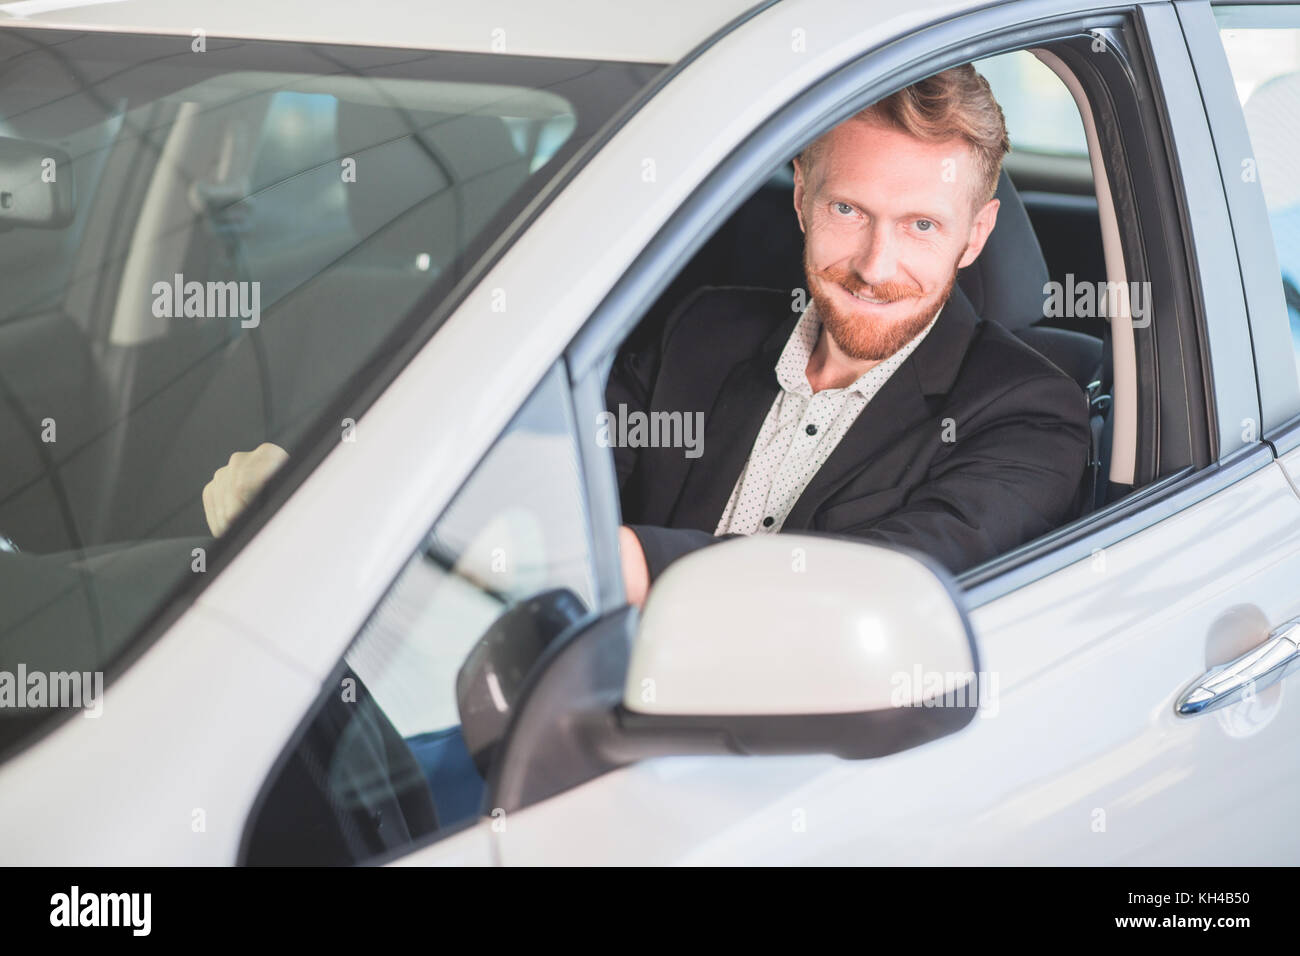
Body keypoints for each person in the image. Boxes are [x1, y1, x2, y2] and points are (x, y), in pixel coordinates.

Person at [204, 65, 1090, 608]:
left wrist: (596, 558)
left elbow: (876, 584)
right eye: (848, 209)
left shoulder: (1029, 412)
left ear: (975, 237)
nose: (871, 262)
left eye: (922, 227)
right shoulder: (706, 328)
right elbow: (548, 463)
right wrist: (352, 496)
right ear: (800, 198)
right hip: (570, 707)